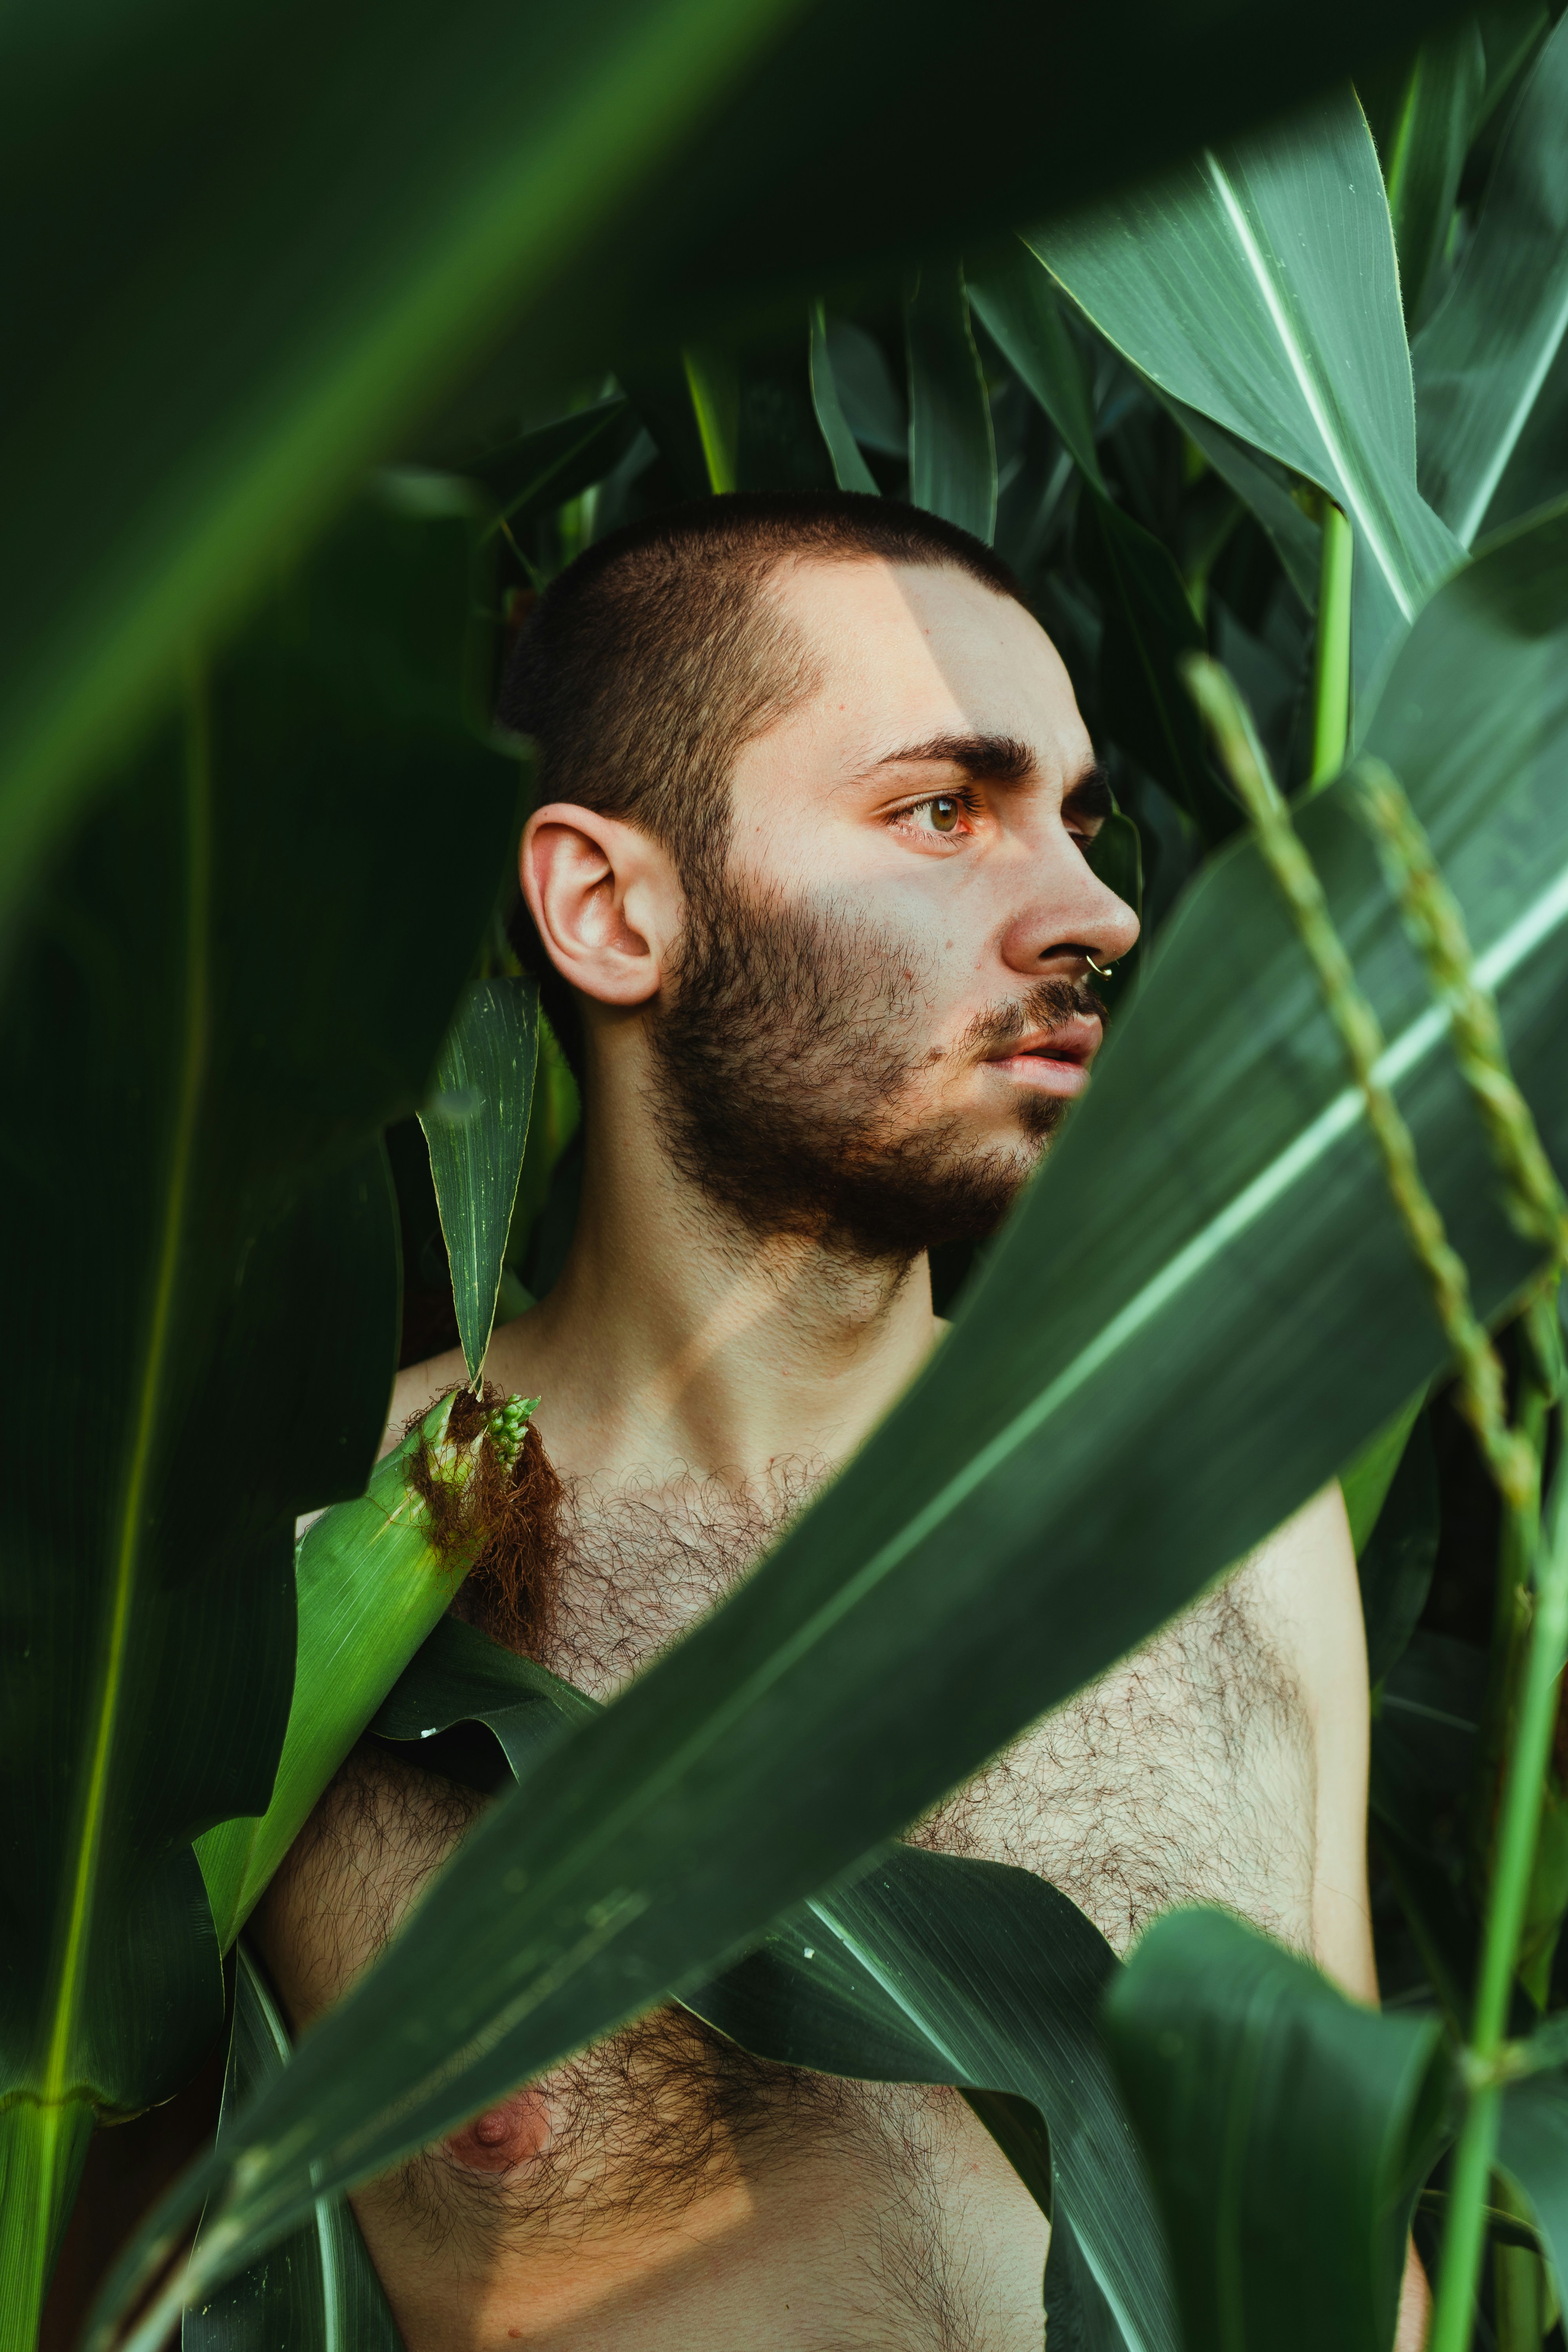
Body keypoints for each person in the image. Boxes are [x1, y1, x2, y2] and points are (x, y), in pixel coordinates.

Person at [254, 492, 1418, 2349]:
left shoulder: (1212, 1510)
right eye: (944, 812)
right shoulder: (303, 1579)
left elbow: (1349, 2251)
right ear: (609, 909)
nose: (1099, 913)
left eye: (1077, 821)